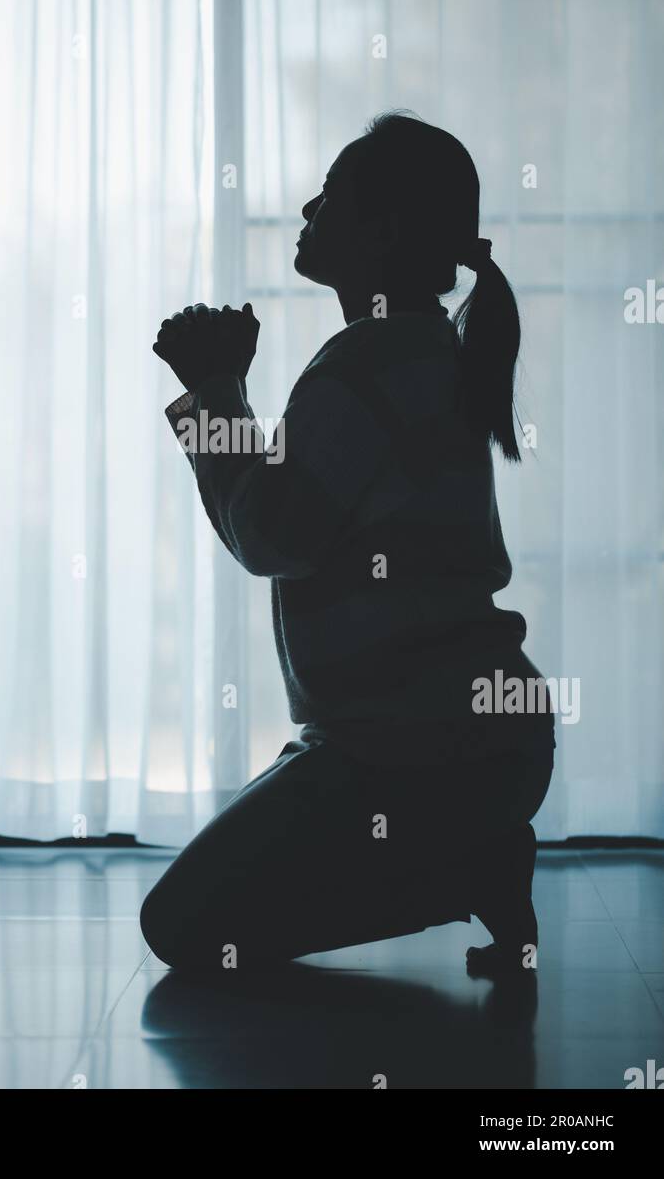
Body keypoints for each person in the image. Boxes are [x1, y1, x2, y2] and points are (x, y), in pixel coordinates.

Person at [142, 111, 555, 978]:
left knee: (181, 925)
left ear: (383, 229)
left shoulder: (365, 366)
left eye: (329, 195)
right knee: (215, 899)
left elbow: (269, 536)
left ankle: (467, 866)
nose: (306, 206)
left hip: (413, 754)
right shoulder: (424, 351)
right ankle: (475, 855)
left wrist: (215, 388)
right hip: (473, 745)